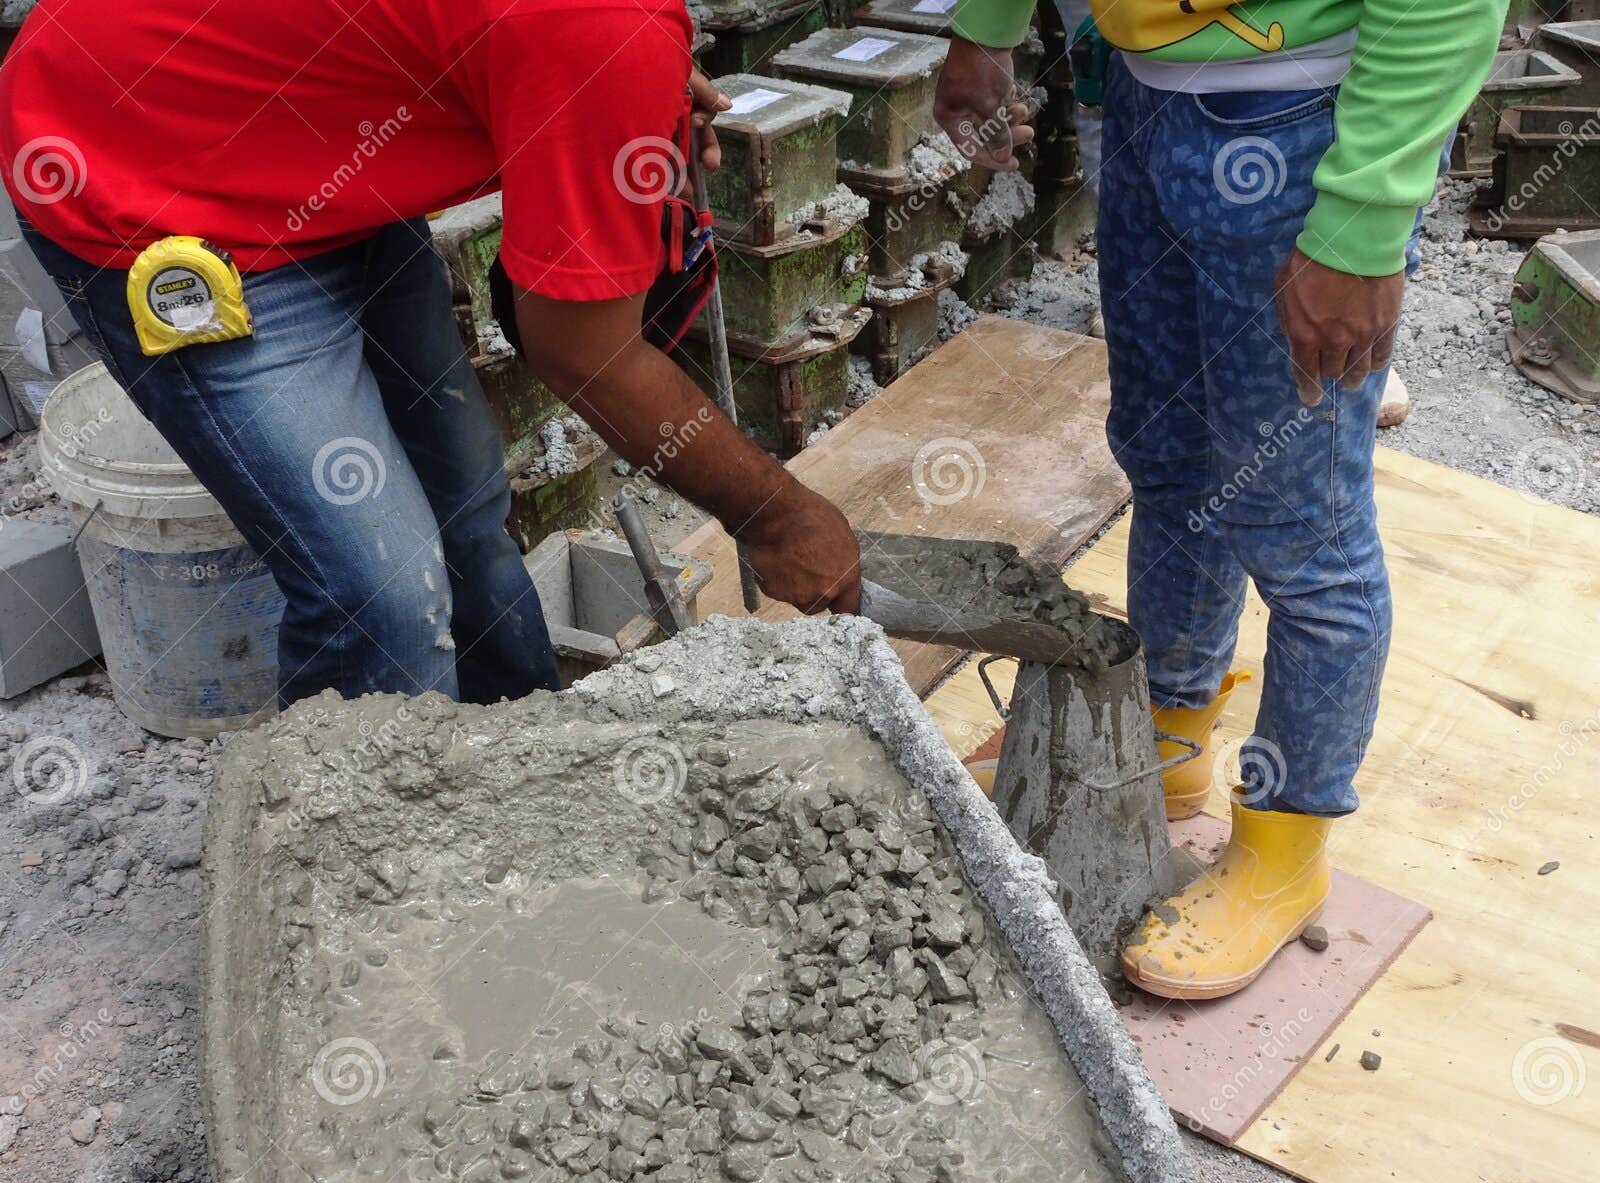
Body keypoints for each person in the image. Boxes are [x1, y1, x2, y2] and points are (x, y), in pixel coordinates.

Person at [0, 0, 861, 711]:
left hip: (319, 137)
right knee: (380, 595)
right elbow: (585, 355)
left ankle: (516, 766)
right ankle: (375, 890)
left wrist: (627, 82)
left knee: (465, 507)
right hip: (136, 165)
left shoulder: (599, 30)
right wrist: (776, 518)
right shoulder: (594, 28)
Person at [937, 0, 1501, 999]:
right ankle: (1168, 731)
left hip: (1300, 119)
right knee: (1171, 460)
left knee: (1299, 530)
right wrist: (982, 26)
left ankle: (1282, 852)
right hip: (1150, 101)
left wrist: (1362, 222)